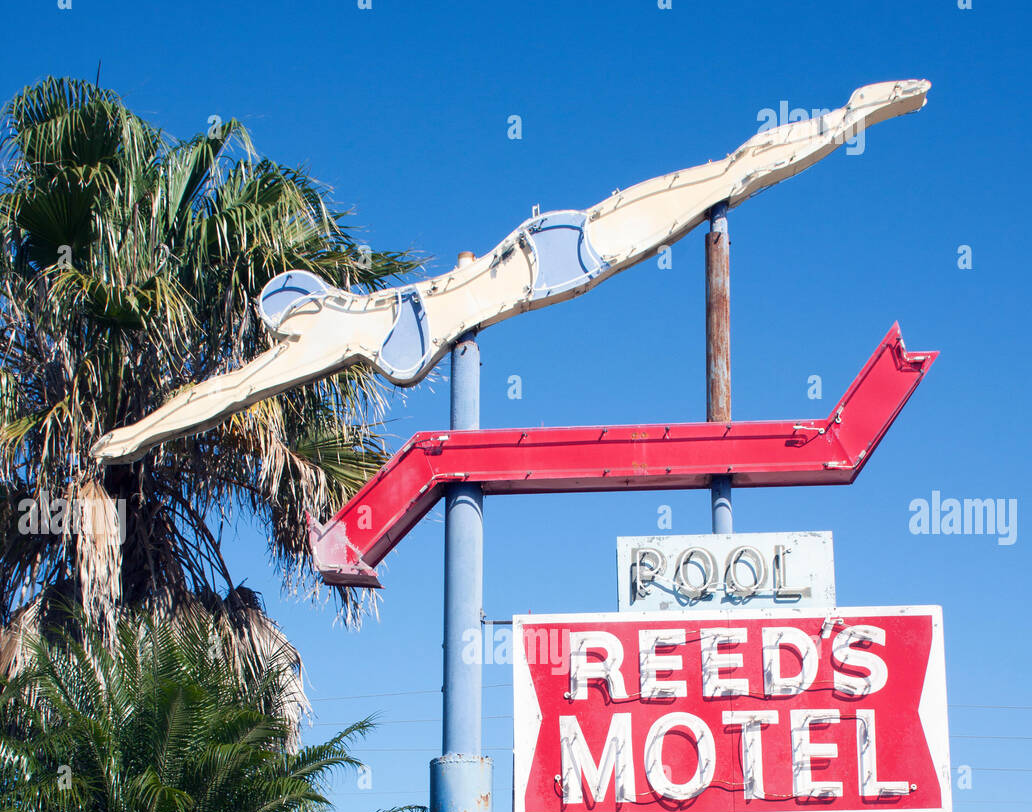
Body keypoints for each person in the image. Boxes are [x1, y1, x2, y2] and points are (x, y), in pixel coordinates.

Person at [92, 79, 928, 466]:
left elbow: (227, 391)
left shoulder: (352, 318)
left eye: (284, 326)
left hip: (541, 254)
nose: (284, 346)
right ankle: (846, 114)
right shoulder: (355, 320)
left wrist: (131, 435)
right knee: (719, 178)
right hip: (547, 253)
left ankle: (847, 114)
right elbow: (226, 391)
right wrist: (132, 438)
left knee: (723, 178)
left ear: (296, 311)